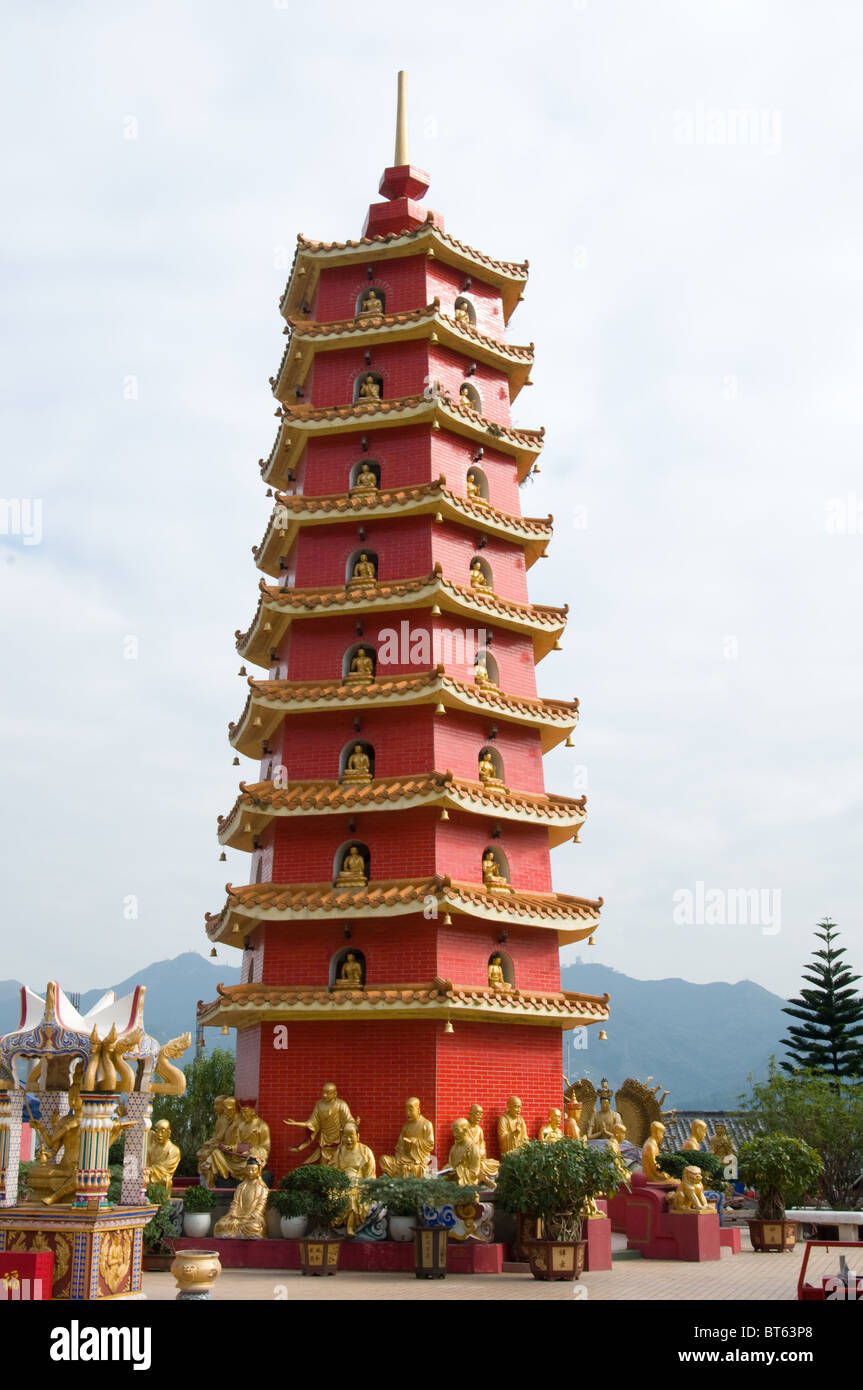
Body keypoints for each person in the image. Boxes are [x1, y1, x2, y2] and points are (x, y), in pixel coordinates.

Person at [283, 1083, 354, 1166]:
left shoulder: (341, 1105)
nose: (325, 1095)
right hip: (324, 1140)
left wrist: (354, 1124)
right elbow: (312, 1123)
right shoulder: (319, 1104)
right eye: (323, 1093)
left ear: (335, 1094)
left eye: (328, 1093)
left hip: (338, 1140)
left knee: (338, 1164)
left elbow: (348, 1120)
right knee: (323, 1165)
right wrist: (297, 1123)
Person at [213, 1156, 268, 1238]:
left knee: (255, 1226)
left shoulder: (261, 1187)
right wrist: (233, 1212)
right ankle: (235, 1233)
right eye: (248, 1170)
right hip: (238, 1216)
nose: (250, 1172)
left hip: (251, 1217)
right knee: (221, 1225)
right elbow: (235, 1202)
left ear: (258, 1171)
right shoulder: (241, 1186)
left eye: (253, 1170)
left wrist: (254, 1214)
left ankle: (245, 1232)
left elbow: (261, 1203)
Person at [380, 1097, 435, 1177]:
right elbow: (399, 1145)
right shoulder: (406, 1126)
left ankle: (402, 1178)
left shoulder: (426, 1124)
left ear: (418, 1109)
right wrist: (405, 1146)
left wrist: (415, 1142)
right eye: (406, 1110)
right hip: (403, 1158)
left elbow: (430, 1144)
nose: (407, 1113)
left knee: (413, 1168)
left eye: (411, 1110)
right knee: (383, 1160)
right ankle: (398, 1178)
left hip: (418, 1160)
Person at [145, 1118, 181, 1191]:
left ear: (168, 1132)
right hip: (146, 1174)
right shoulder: (152, 1143)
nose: (159, 1135)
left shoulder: (174, 1150)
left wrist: (151, 1170)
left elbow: (165, 1169)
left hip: (158, 1177)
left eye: (162, 1132)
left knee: (164, 1180)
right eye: (157, 1131)